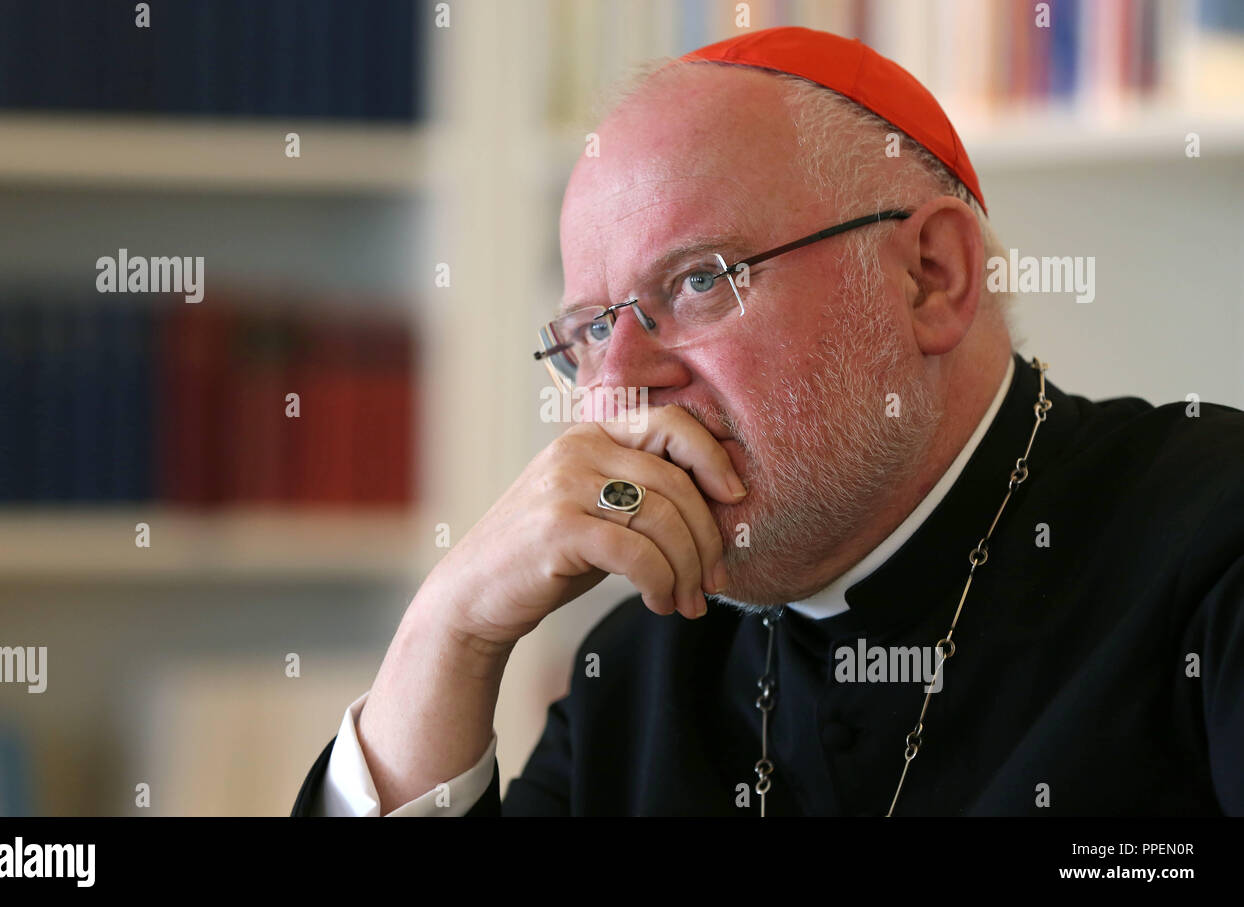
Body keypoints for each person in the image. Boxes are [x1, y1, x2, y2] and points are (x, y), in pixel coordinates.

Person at [291, 27, 1244, 817]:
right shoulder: (637, 671)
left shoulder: (1216, 543)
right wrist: (446, 634)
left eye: (700, 279)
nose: (620, 381)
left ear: (931, 279)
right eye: (589, 328)